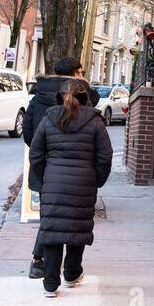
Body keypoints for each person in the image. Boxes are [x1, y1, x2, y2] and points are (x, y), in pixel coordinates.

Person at [28, 78, 113, 297]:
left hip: (53, 182)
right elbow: (105, 156)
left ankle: (49, 284)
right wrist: (96, 179)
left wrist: (45, 176)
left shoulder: (49, 119)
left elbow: (35, 154)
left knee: (53, 231)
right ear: (85, 97)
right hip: (83, 183)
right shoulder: (95, 122)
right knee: (77, 228)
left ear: (59, 96)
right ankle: (72, 274)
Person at [24, 56, 100, 279]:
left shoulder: (39, 94)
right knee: (69, 217)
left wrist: (43, 154)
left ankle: (40, 263)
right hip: (78, 171)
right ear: (76, 73)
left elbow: (28, 130)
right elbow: (99, 144)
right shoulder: (84, 96)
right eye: (81, 72)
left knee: (50, 215)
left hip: (45, 167)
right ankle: (69, 269)